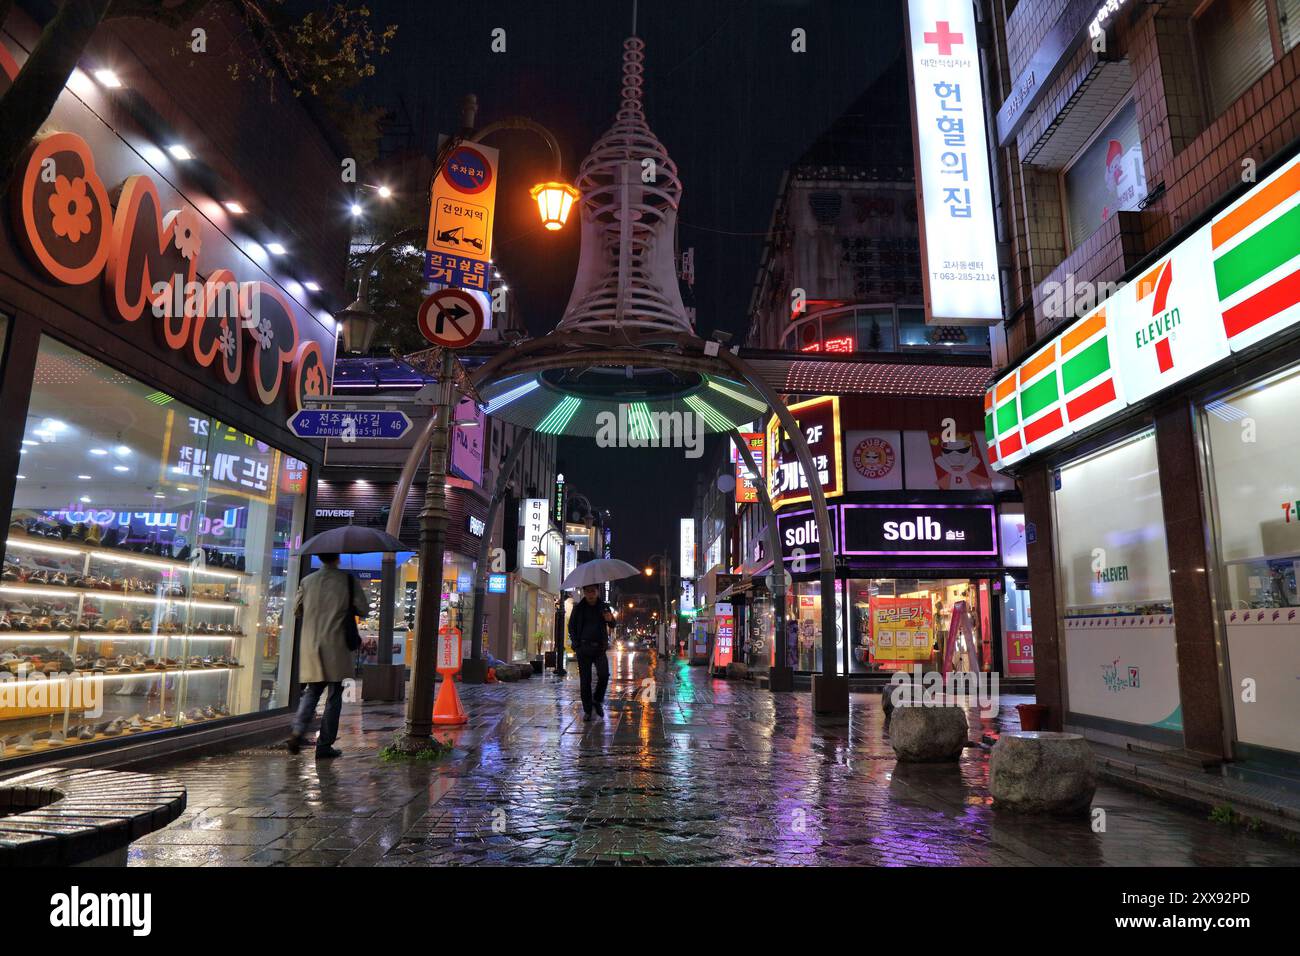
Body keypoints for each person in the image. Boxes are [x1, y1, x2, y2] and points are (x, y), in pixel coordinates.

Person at [286, 553, 368, 758]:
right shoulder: (347, 580)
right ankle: (324, 746)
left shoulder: (307, 581)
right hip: (337, 645)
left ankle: (297, 731)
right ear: (338, 558)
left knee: (312, 692)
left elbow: (297, 610)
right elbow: (363, 608)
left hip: (312, 645)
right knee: (334, 697)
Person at [568, 584, 613, 719]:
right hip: (584, 648)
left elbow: (612, 624)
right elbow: (571, 627)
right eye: (588, 592)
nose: (590, 595)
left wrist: (610, 619)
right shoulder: (579, 608)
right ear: (584, 593)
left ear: (597, 592)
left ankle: (597, 700)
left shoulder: (603, 606)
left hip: (599, 648)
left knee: (604, 675)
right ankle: (588, 710)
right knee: (585, 680)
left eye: (593, 591)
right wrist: (576, 645)